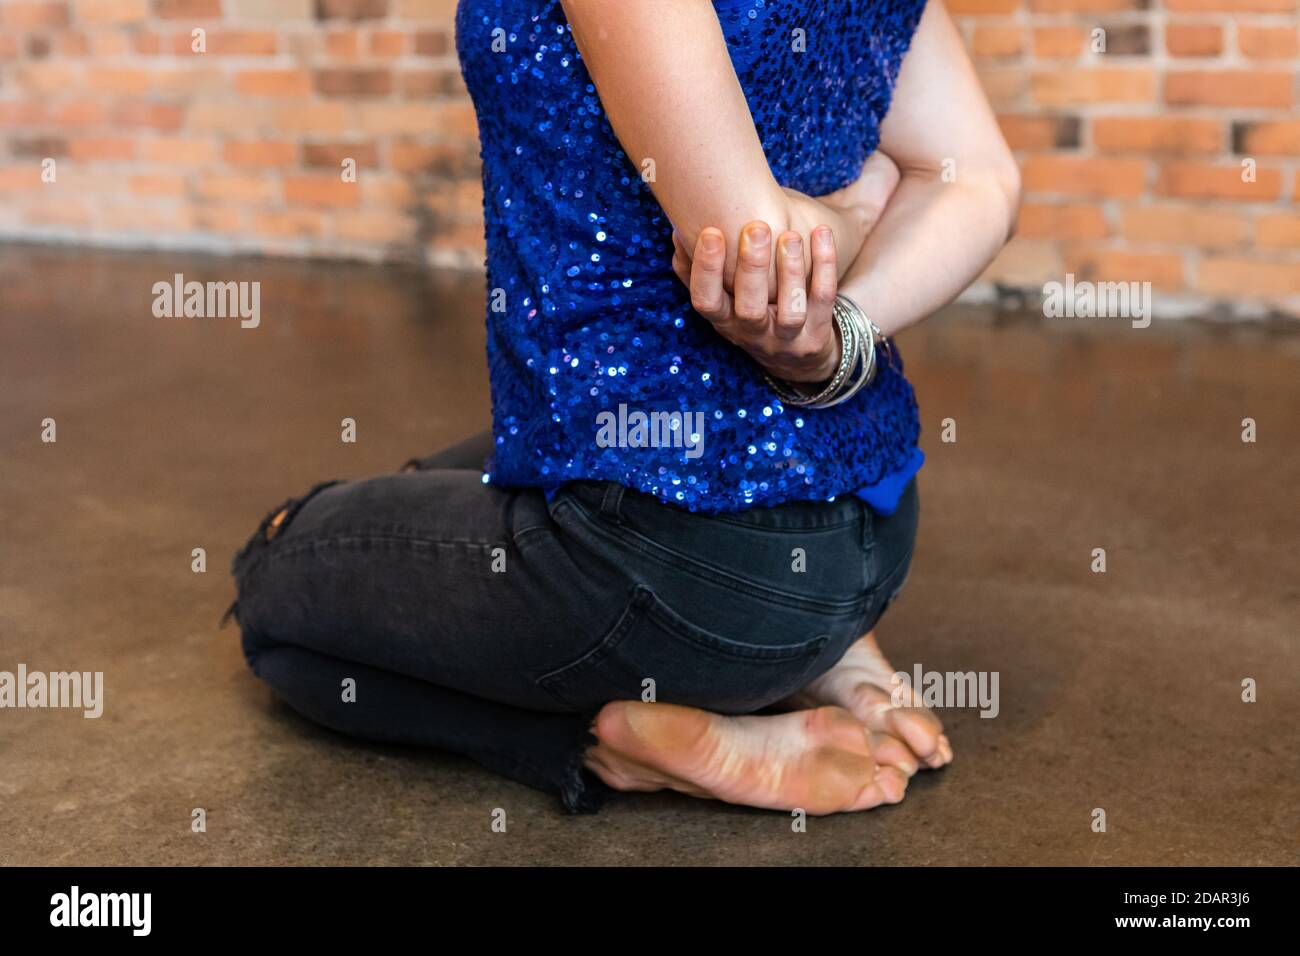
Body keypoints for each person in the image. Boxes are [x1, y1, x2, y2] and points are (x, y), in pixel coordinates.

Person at [229, 0, 1019, 815]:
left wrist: (824, 270)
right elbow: (983, 179)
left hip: (678, 559)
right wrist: (855, 232)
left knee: (274, 584)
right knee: (427, 489)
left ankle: (611, 748)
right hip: (867, 529)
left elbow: (755, 262)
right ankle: (832, 651)